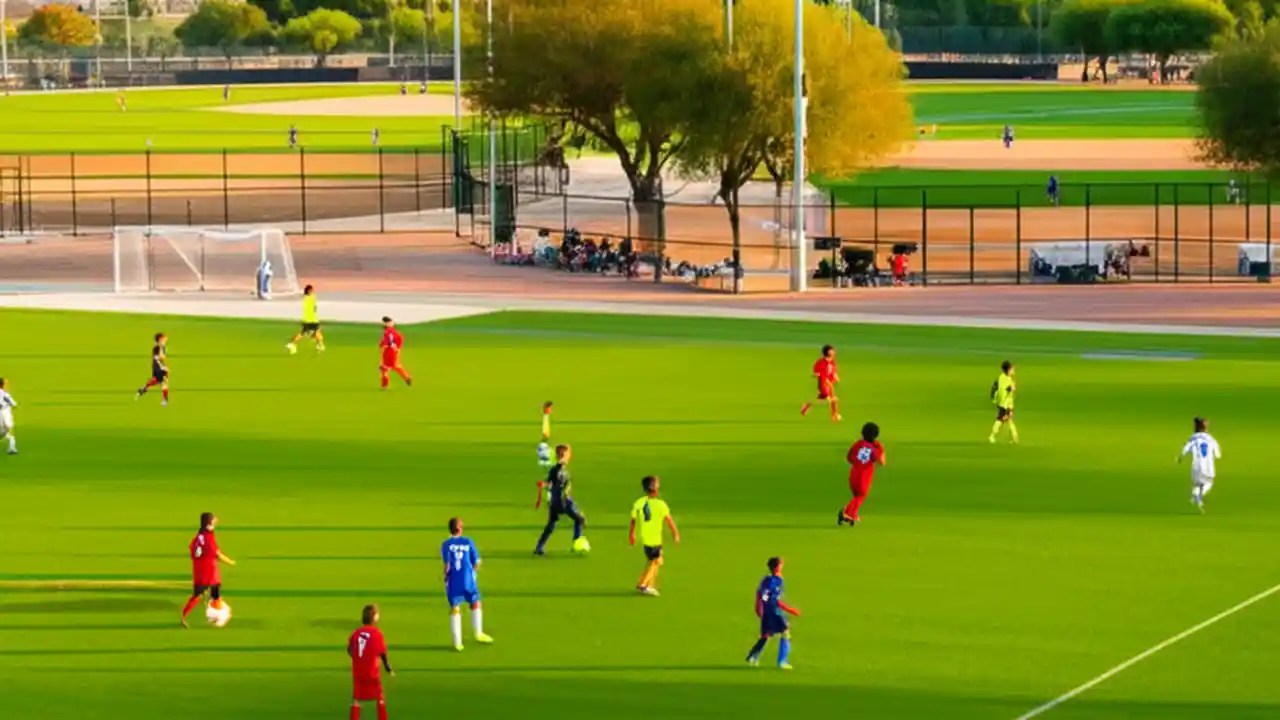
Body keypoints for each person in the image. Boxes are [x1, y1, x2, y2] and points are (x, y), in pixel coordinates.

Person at [441, 517, 494, 651]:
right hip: (468, 580)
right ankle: (478, 633)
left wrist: (445, 577)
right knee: (475, 603)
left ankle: (457, 642)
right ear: (459, 529)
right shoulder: (468, 542)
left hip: (453, 581)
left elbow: (447, 566)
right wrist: (474, 572)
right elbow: (477, 562)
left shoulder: (445, 544)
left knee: (455, 608)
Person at [180, 512, 236, 627]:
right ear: (208, 523)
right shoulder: (208, 537)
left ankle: (184, 616)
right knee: (216, 594)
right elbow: (217, 555)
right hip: (210, 572)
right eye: (213, 521)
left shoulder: (199, 536)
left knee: (197, 595)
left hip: (199, 571)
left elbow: (193, 550)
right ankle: (217, 616)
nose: (215, 523)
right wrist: (230, 562)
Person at [745, 557, 801, 670]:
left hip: (767, 609)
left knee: (767, 634)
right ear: (777, 567)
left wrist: (758, 606)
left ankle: (753, 656)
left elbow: (763, 594)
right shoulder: (776, 581)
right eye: (781, 564)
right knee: (785, 631)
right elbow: (771, 598)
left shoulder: (767, 579)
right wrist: (789, 610)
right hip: (773, 610)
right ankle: (782, 661)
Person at [629, 475, 681, 596]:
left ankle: (646, 583)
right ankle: (644, 585)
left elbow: (633, 520)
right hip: (655, 539)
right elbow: (669, 521)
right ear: (656, 489)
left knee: (656, 561)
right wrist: (675, 533)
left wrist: (631, 535)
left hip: (646, 538)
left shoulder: (639, 503)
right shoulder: (661, 505)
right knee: (655, 561)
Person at [533, 444, 586, 555]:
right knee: (580, 519)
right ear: (562, 455)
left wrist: (543, 486)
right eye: (567, 455)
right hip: (564, 502)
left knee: (551, 525)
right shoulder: (559, 468)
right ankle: (577, 544)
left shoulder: (555, 470)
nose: (569, 457)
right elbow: (557, 479)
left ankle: (539, 547)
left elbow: (549, 483)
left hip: (555, 502)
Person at [347, 604, 394, 720]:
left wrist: (358, 658)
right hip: (371, 672)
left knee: (357, 699)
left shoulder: (356, 633)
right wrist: (389, 669)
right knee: (379, 697)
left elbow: (349, 649)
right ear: (374, 617)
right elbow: (383, 654)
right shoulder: (377, 634)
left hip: (358, 672)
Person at [841, 422, 886, 526]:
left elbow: (849, 458)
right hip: (864, 476)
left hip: (853, 474)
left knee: (856, 496)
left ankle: (853, 514)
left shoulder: (857, 444)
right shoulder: (874, 449)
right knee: (861, 495)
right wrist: (881, 449)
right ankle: (846, 512)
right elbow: (882, 462)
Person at [1179, 417, 1222, 513]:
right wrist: (1216, 455)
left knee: (1197, 484)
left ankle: (1197, 496)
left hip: (1196, 466)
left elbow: (1185, 448)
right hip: (1208, 466)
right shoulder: (1211, 439)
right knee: (1209, 482)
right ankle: (1198, 495)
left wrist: (1180, 457)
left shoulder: (1193, 438)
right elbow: (1218, 454)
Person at [800, 345, 841, 422]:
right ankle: (834, 416)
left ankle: (807, 406)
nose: (834, 352)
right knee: (832, 399)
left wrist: (835, 377)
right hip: (823, 384)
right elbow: (816, 371)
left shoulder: (832, 362)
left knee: (828, 400)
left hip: (830, 384)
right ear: (827, 352)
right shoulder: (821, 362)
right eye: (832, 350)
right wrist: (818, 375)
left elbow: (833, 372)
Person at [287, 284, 326, 354]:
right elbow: (315, 308)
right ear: (309, 291)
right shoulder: (313, 297)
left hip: (306, 319)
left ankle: (293, 344)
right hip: (313, 320)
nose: (313, 291)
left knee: (302, 333)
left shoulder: (305, 298)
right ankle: (320, 345)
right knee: (317, 332)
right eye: (311, 290)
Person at [136, 332, 171, 406]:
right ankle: (164, 400)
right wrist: (163, 367)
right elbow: (156, 358)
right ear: (160, 340)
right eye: (164, 339)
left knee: (159, 381)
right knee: (162, 382)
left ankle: (144, 389)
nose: (165, 341)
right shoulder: (157, 348)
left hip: (159, 366)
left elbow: (162, 358)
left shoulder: (162, 347)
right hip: (158, 367)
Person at [989, 360, 1018, 444]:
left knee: (1001, 420)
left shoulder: (1002, 377)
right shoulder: (1006, 380)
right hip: (1006, 405)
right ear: (1008, 370)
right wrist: (1012, 388)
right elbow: (1007, 389)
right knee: (1006, 421)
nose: (1014, 370)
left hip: (1004, 404)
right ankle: (1014, 438)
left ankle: (992, 436)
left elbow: (996, 387)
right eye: (1012, 369)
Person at [378, 317, 412, 389]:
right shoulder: (397, 333)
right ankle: (407, 377)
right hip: (395, 350)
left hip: (388, 350)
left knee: (385, 367)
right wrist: (398, 349)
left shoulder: (387, 333)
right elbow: (400, 340)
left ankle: (385, 385)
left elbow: (384, 344)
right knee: (395, 365)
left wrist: (381, 347)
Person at [0, 377, 17, 455]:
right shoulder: (4, 393)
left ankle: (12, 448)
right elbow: (14, 403)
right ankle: (12, 447)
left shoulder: (4, 393)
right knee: (8, 428)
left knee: (5, 430)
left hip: (4, 412)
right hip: (5, 412)